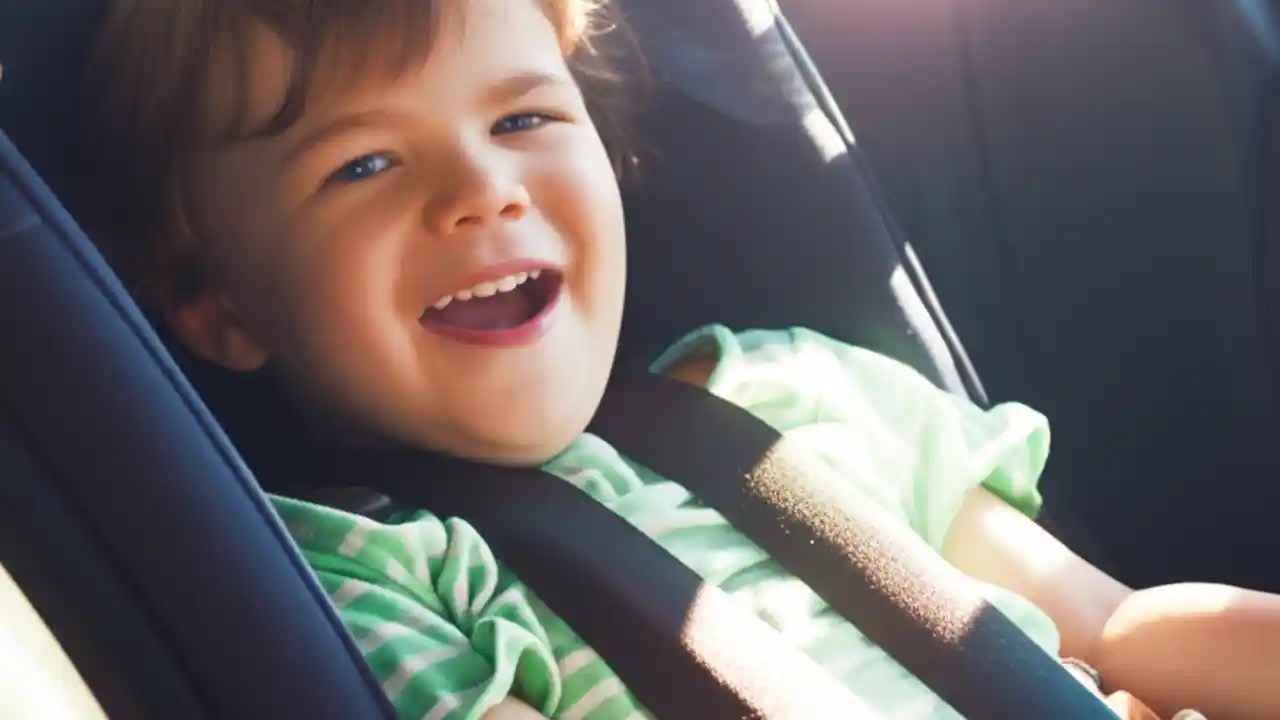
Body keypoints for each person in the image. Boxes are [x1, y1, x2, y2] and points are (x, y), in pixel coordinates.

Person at [81, 1, 1279, 718]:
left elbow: (1111, 625)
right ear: (215, 303)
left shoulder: (796, 394)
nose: (482, 192)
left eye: (522, 120)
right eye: (360, 166)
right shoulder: (356, 580)